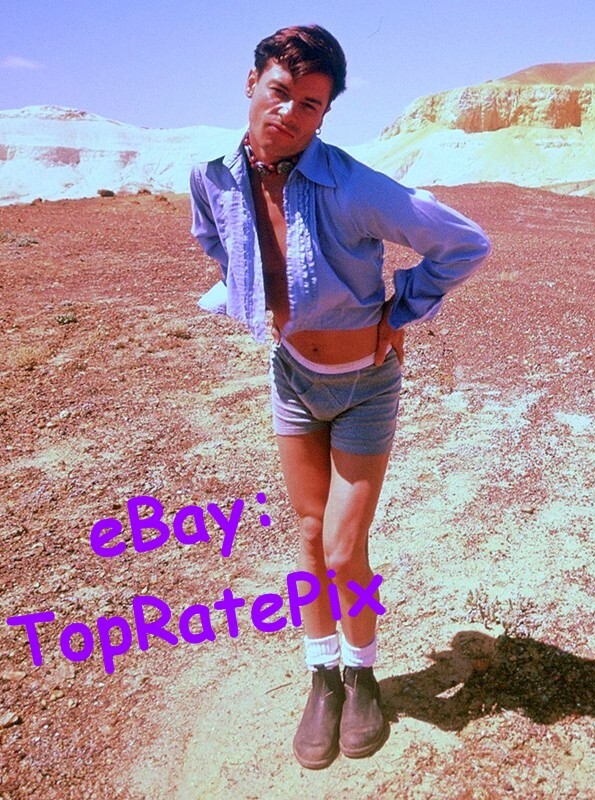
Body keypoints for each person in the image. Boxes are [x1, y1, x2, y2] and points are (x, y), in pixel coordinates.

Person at [190, 24, 491, 769]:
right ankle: (321, 676)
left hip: (363, 386)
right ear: (252, 84)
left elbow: (464, 242)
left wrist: (400, 310)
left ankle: (363, 675)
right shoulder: (211, 176)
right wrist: (253, 293)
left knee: (342, 547)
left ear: (326, 113)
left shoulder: (353, 186)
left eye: (310, 104)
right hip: (291, 376)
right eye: (279, 92)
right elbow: (214, 238)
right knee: (306, 536)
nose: (290, 113)